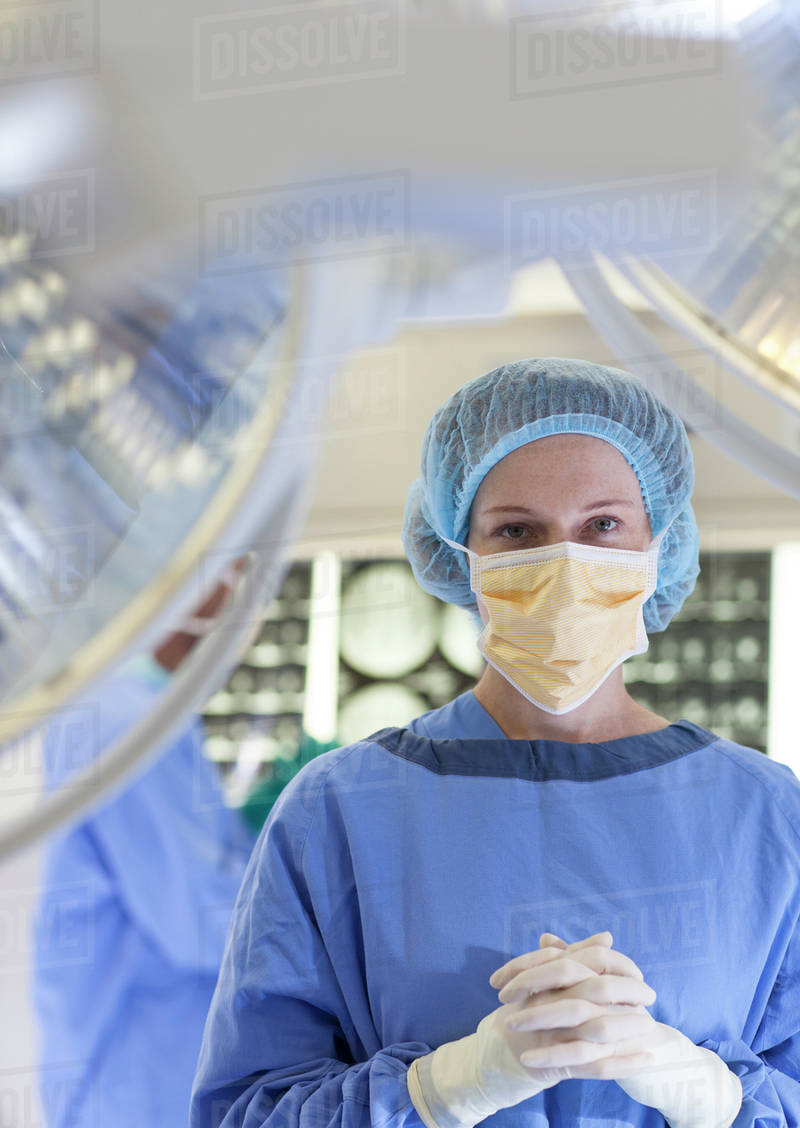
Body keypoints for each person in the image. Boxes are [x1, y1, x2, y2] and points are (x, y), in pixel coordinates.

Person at [190, 358, 800, 1127]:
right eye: (517, 531)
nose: (566, 564)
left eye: (602, 525)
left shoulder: (767, 815)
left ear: (659, 541)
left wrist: (714, 1094)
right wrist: (439, 1089)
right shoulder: (341, 809)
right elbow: (247, 1111)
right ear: (460, 554)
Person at [33, 574, 256, 1128]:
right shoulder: (122, 722)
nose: (238, 588)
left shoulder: (142, 709)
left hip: (151, 1080)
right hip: (141, 1088)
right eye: (232, 567)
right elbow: (200, 925)